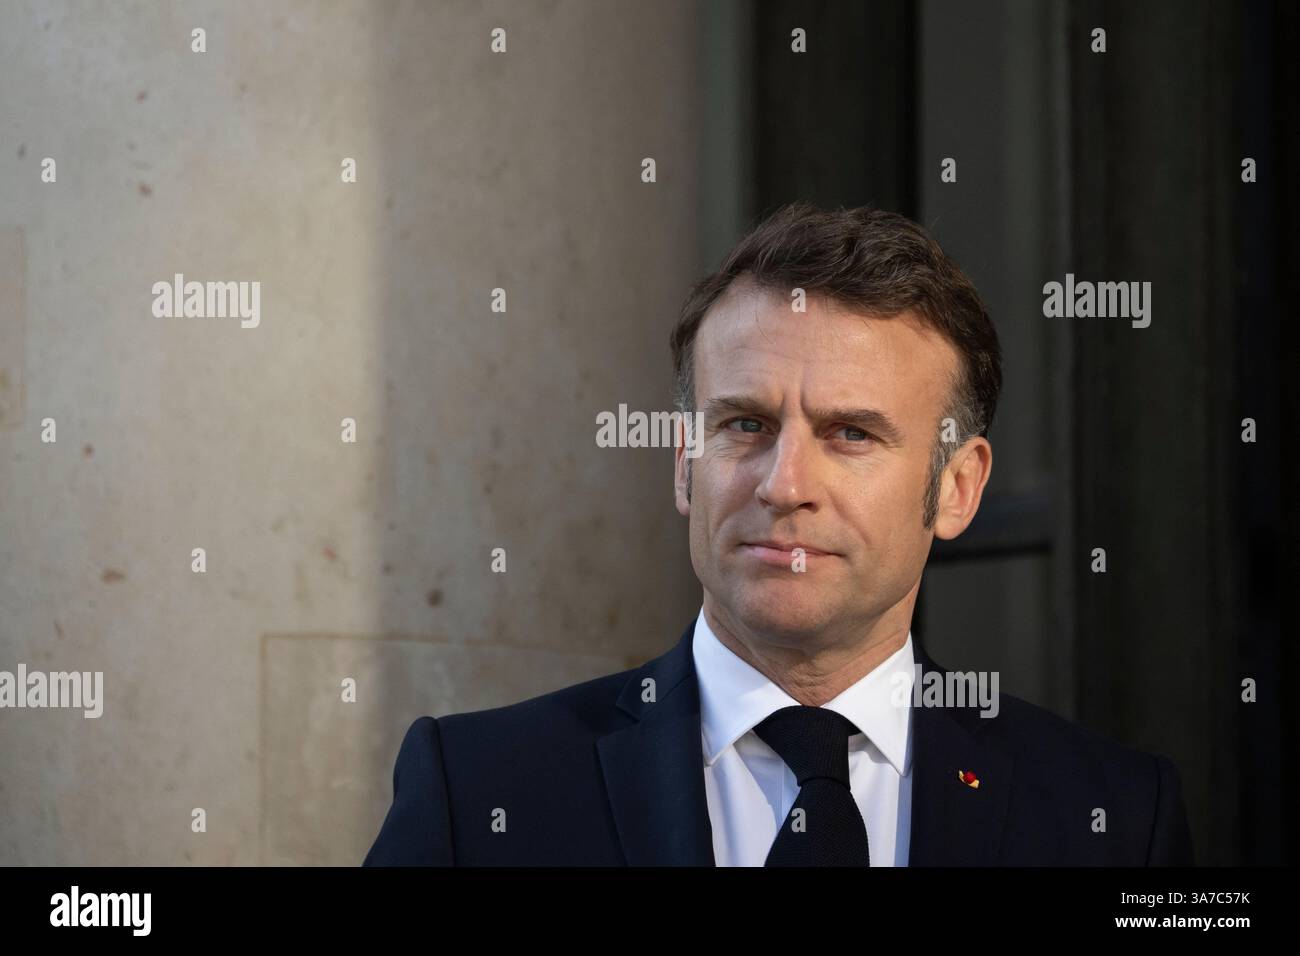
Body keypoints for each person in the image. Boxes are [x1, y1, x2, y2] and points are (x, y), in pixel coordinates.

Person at [363, 202, 1194, 866]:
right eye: (746, 424)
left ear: (958, 487)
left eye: (851, 435)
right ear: (684, 459)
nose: (785, 484)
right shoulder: (477, 793)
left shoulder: (1114, 820)